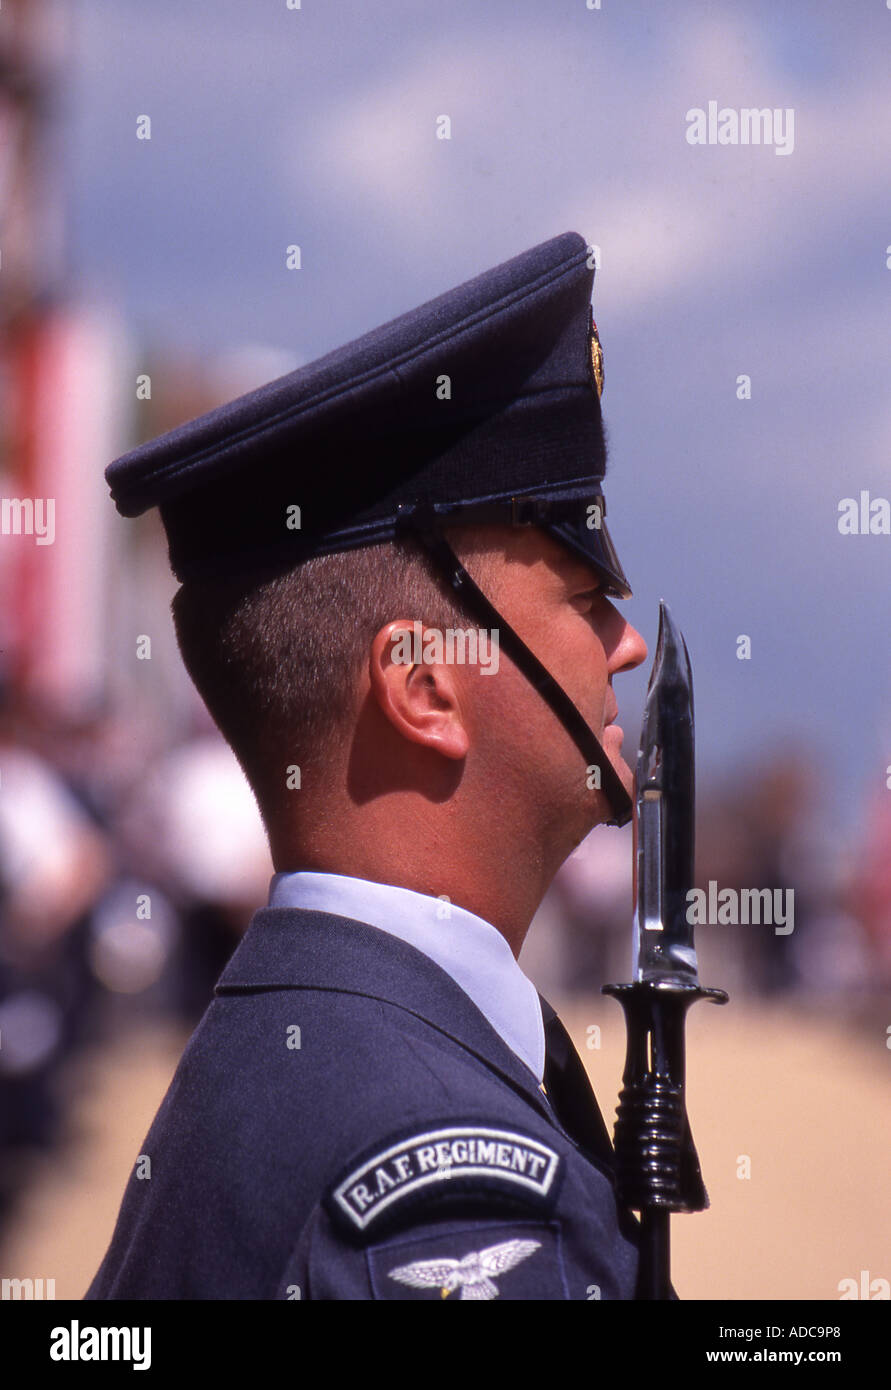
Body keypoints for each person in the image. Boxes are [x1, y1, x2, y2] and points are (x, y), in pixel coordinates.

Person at [86, 231, 650, 1300]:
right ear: (425, 687)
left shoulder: (295, 1044)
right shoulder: (451, 1184)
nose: (625, 642)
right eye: (584, 601)